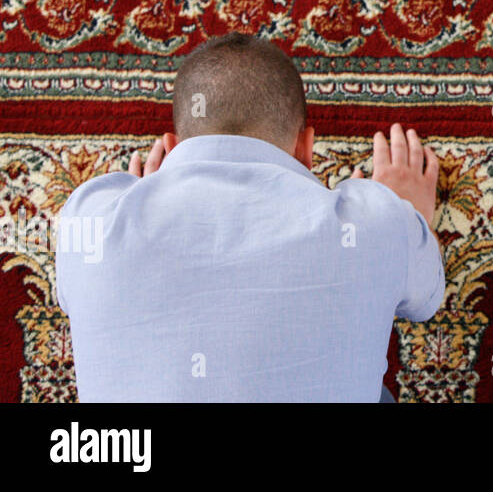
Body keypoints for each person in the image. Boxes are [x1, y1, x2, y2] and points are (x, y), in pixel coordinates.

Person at [54, 32, 445, 402]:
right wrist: (403, 213)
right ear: (305, 147)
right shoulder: (378, 224)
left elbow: (73, 298)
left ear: (171, 148)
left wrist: (138, 203)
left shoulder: (89, 221)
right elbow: (425, 302)